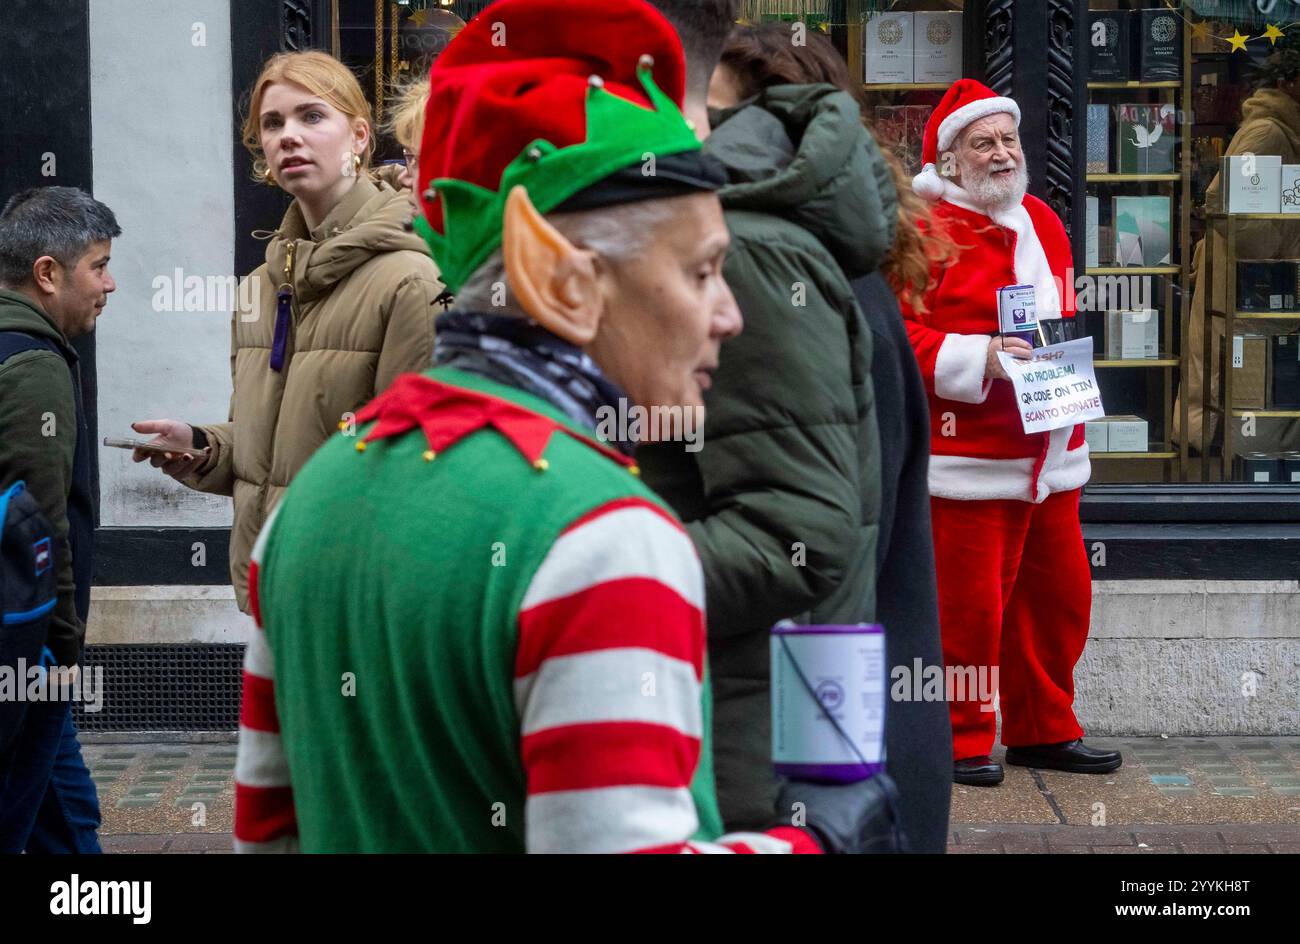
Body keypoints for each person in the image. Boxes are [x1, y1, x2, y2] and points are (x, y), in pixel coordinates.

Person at [233, 0, 892, 854]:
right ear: (565, 281)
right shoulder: (607, 535)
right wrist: (818, 844)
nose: (728, 314)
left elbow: (267, 834)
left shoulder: (305, 507)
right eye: (700, 271)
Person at [637, 1, 895, 833]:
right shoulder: (748, 225)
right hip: (764, 702)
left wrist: (586, 577)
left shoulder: (745, 243)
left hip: (745, 721)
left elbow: (797, 530)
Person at [706, 20, 953, 854]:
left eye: (722, 121)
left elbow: (816, 547)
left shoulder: (781, 270)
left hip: (836, 732)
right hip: (859, 719)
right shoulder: (836, 263)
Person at [132, 50, 443, 617]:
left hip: (358, 604)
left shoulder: (411, 279)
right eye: (272, 124)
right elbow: (279, 445)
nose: (288, 136)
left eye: (311, 117)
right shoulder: (260, 285)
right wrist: (205, 446)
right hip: (269, 597)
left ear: (359, 137)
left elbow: (418, 468)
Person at [906, 80, 1121, 785]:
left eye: (1008, 139)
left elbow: (1058, 319)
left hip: (1051, 452)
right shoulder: (921, 228)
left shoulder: (1043, 221)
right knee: (966, 614)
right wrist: (982, 358)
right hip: (967, 459)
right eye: (983, 142)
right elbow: (898, 338)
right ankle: (961, 739)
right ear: (949, 156)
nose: (1002, 154)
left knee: (1057, 601)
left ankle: (1044, 728)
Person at [0, 186, 117, 853]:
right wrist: (64, 654)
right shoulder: (35, 364)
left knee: (67, 820)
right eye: (98, 266)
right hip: (27, 650)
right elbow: (41, 530)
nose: (110, 283)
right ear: (47, 273)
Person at [1177, 47, 1300, 454]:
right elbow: (1229, 205)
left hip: (1258, 277)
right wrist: (1279, 253)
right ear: (1289, 84)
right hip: (1250, 278)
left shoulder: (1282, 130)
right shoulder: (1268, 132)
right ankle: (1219, 446)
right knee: (1232, 365)